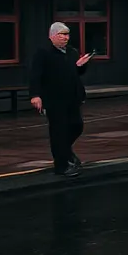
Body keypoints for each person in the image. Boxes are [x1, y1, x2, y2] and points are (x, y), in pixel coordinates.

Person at [28, 21, 92, 177]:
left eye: (67, 34)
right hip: (54, 100)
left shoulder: (71, 52)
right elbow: (35, 74)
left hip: (72, 98)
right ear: (52, 36)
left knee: (77, 126)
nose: (66, 38)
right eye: (62, 34)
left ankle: (66, 152)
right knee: (59, 132)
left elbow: (77, 73)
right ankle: (62, 166)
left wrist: (81, 66)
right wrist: (35, 95)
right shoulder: (43, 53)